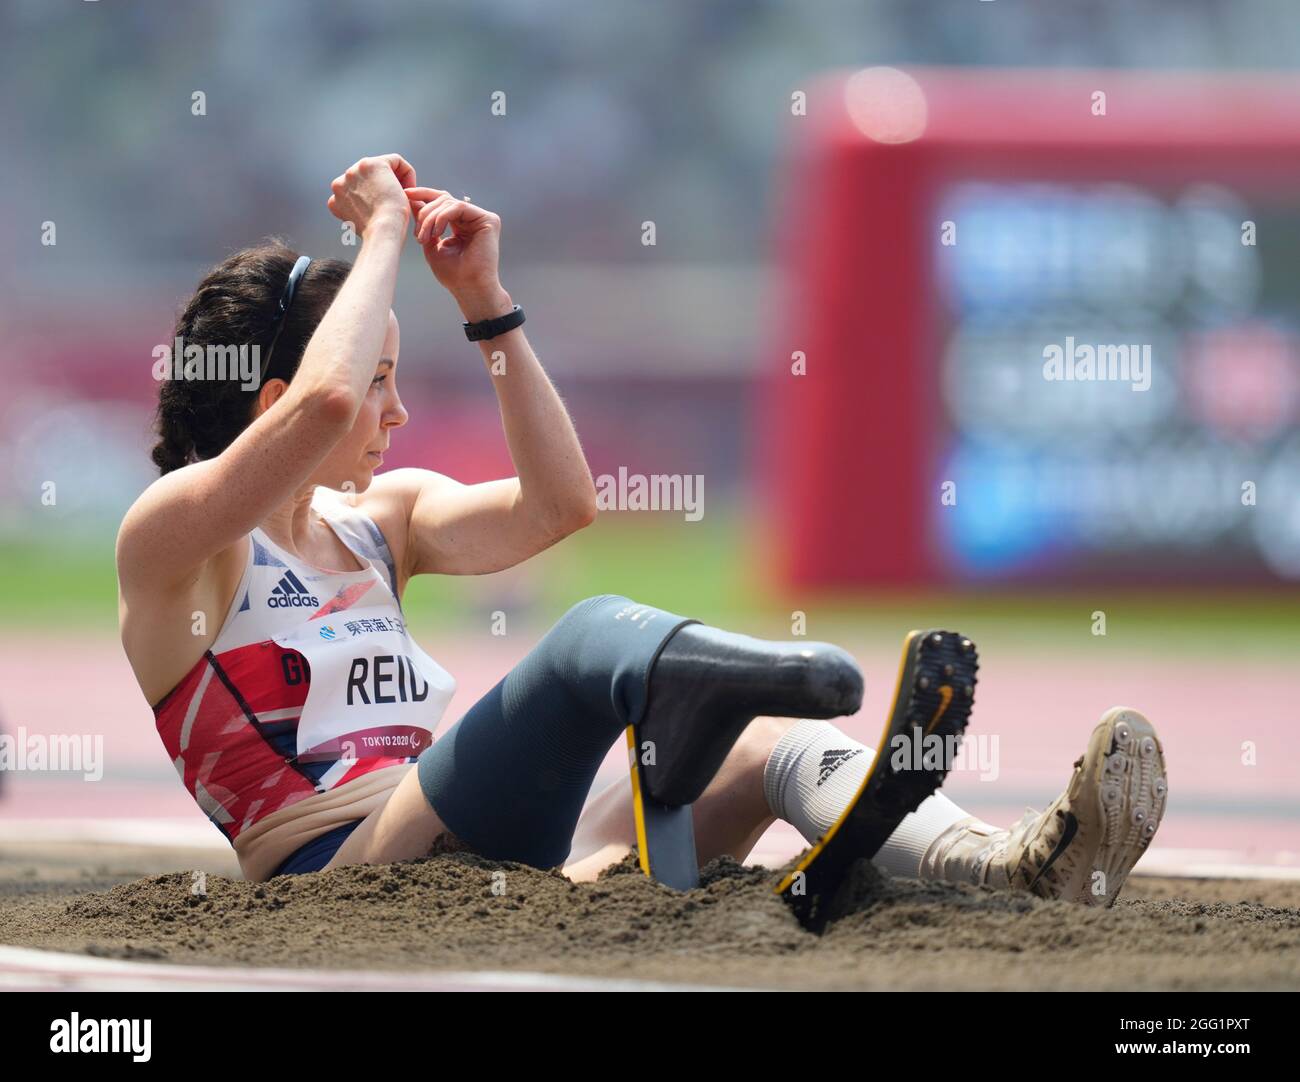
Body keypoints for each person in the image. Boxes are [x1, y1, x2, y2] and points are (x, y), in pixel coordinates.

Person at [116, 154, 1167, 907]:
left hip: (483, 847)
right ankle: (782, 671)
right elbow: (330, 408)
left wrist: (485, 302)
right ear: (269, 402)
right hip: (337, 875)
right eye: (381, 376)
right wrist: (382, 233)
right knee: (582, 645)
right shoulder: (177, 537)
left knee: (771, 748)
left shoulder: (375, 520)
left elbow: (558, 503)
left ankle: (1013, 865)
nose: (390, 411)